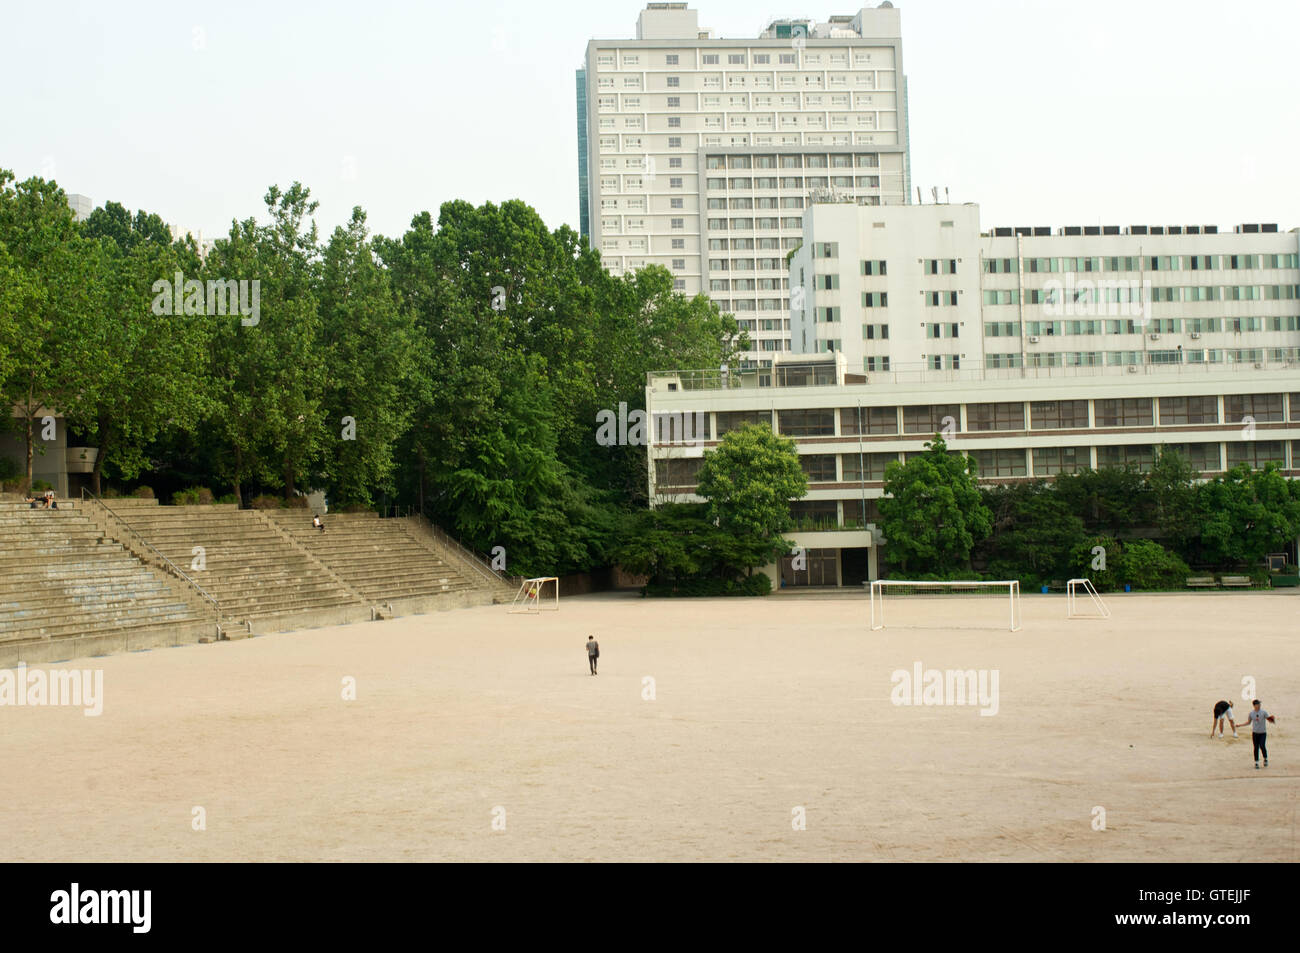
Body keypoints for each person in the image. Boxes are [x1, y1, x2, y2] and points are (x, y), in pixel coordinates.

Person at [1245, 699, 1275, 769]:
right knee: (1256, 747)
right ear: (1255, 705)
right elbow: (1248, 722)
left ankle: (1265, 758)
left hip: (1262, 733)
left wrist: (1272, 720)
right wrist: (1240, 725)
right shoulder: (1251, 713)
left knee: (1262, 746)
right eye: (1258, 704)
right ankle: (1256, 762)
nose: (1259, 705)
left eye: (1259, 704)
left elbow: (1268, 719)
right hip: (1255, 733)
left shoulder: (1263, 712)